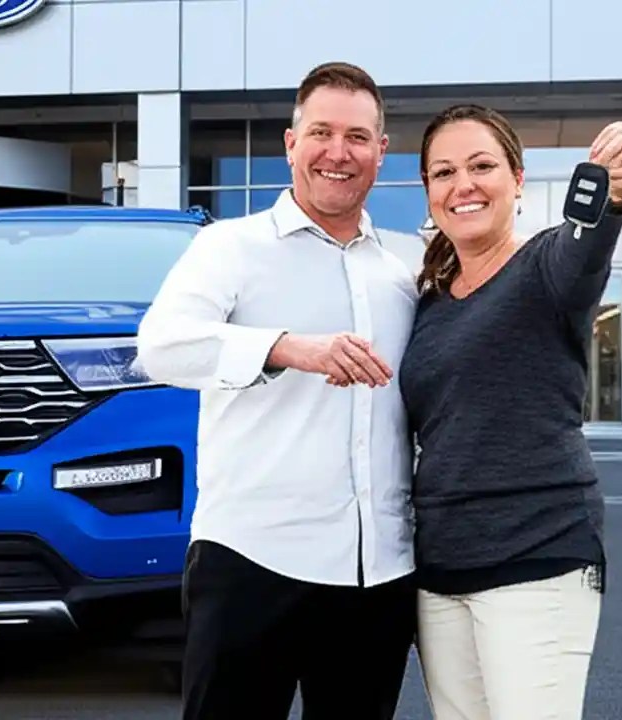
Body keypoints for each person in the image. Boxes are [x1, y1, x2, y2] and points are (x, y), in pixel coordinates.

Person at [136, 61, 419, 720]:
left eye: (357, 136)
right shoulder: (228, 247)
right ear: (291, 144)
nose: (337, 152)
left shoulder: (404, 267)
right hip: (251, 564)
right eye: (321, 132)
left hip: (375, 576)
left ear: (381, 151)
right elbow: (160, 346)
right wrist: (288, 347)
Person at [397, 104, 622, 719]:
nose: (464, 185)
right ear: (428, 191)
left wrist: (609, 195)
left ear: (517, 179)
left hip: (537, 556)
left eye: (482, 166)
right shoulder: (427, 301)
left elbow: (585, 251)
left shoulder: (545, 266)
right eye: (444, 172)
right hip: (441, 569)